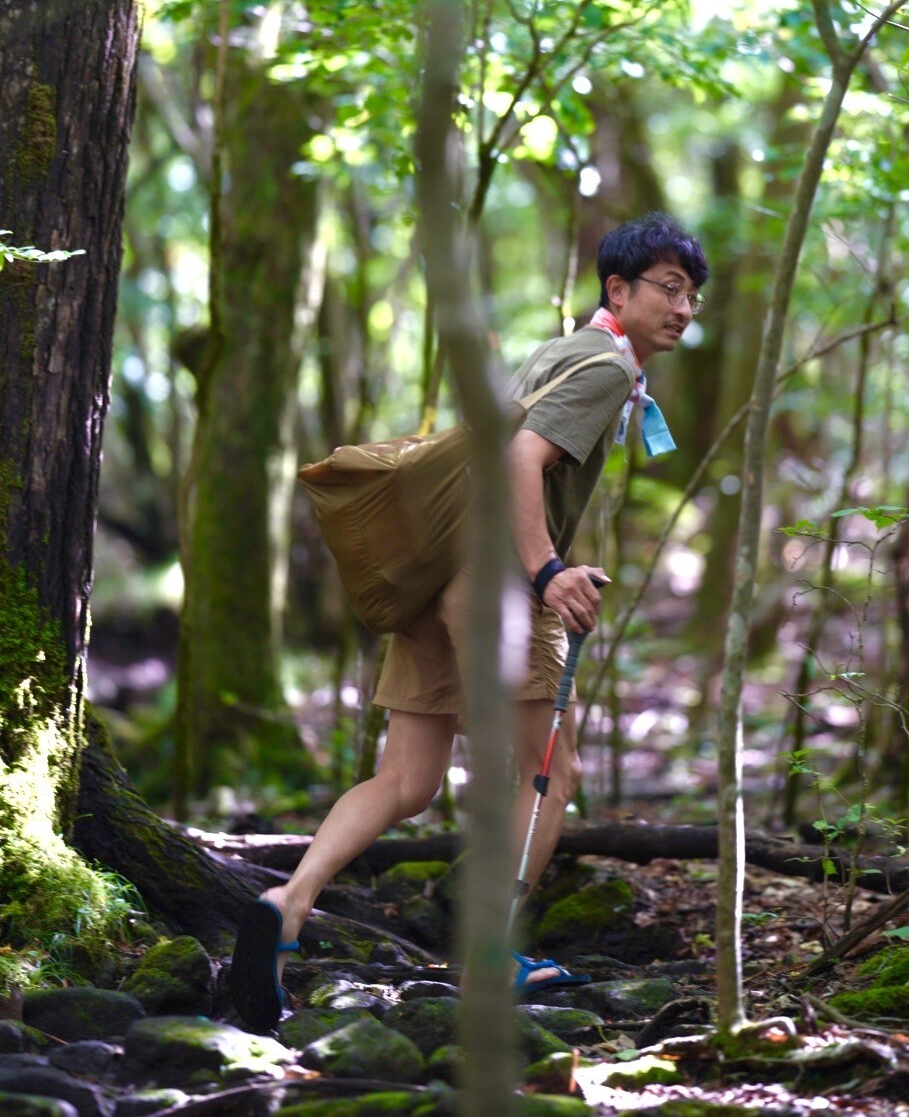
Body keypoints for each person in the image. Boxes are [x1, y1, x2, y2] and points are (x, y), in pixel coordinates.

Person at [230, 211, 708, 1032]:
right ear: (618, 290)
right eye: (668, 289)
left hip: (439, 577)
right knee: (547, 773)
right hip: (495, 583)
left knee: (407, 781)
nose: (684, 308)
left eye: (692, 295)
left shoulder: (564, 352)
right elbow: (522, 462)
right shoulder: (599, 367)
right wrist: (547, 570)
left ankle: (289, 900)